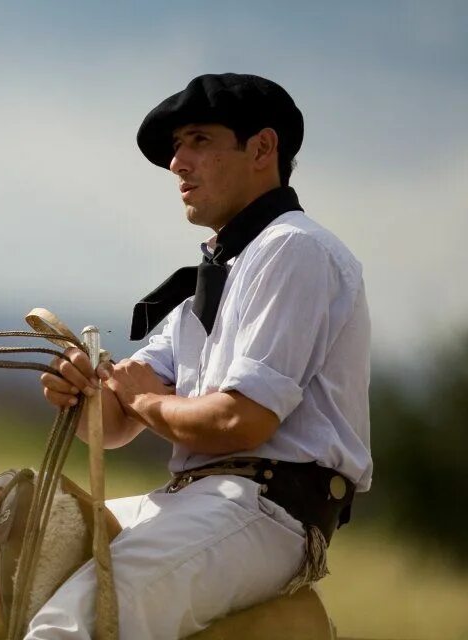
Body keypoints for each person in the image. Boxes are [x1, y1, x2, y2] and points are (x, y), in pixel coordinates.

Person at [28, 73, 372, 639]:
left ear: (263, 148)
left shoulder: (295, 248)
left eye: (199, 141)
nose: (177, 164)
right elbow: (115, 423)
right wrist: (85, 393)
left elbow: (240, 420)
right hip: (202, 502)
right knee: (12, 551)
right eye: (176, 148)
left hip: (262, 509)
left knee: (66, 628)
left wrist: (142, 400)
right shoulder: (207, 284)